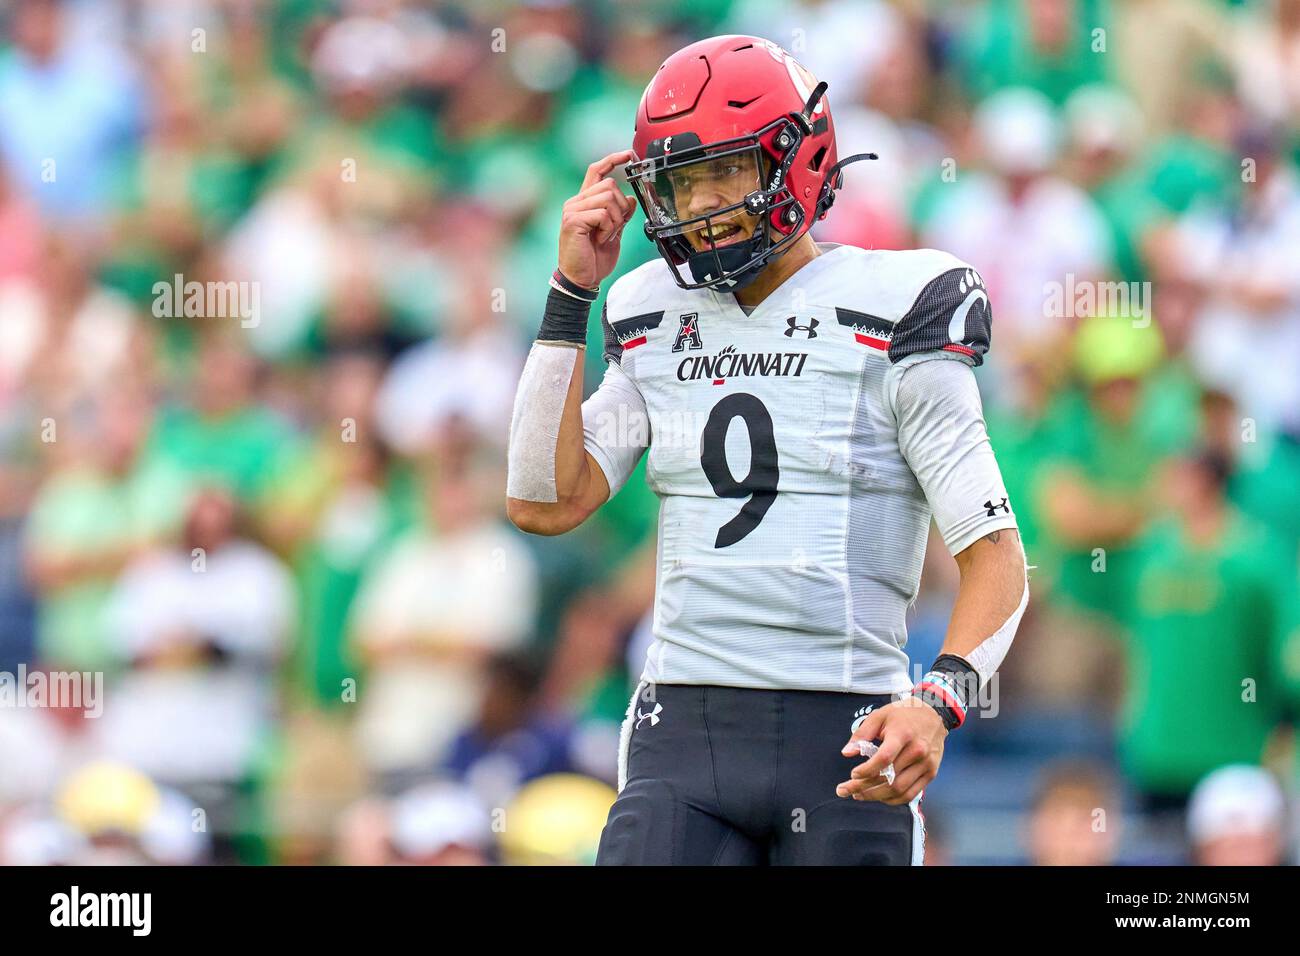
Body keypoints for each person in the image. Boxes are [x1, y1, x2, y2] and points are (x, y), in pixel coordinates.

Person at [506, 36, 1027, 865]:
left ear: (799, 157)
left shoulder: (901, 306)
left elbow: (996, 555)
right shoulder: (648, 310)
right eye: (680, 182)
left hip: (848, 723)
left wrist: (941, 698)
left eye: (725, 171)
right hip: (684, 721)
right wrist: (571, 294)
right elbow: (543, 499)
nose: (702, 204)